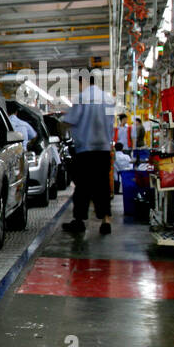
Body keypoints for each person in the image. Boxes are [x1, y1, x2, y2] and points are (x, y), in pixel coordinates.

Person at [60, 84, 116, 235]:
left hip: (85, 150)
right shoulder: (109, 99)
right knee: (103, 185)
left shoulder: (81, 99)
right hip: (103, 149)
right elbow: (111, 123)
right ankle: (106, 222)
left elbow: (70, 120)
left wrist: (62, 124)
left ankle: (79, 222)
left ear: (82, 82)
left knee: (83, 186)